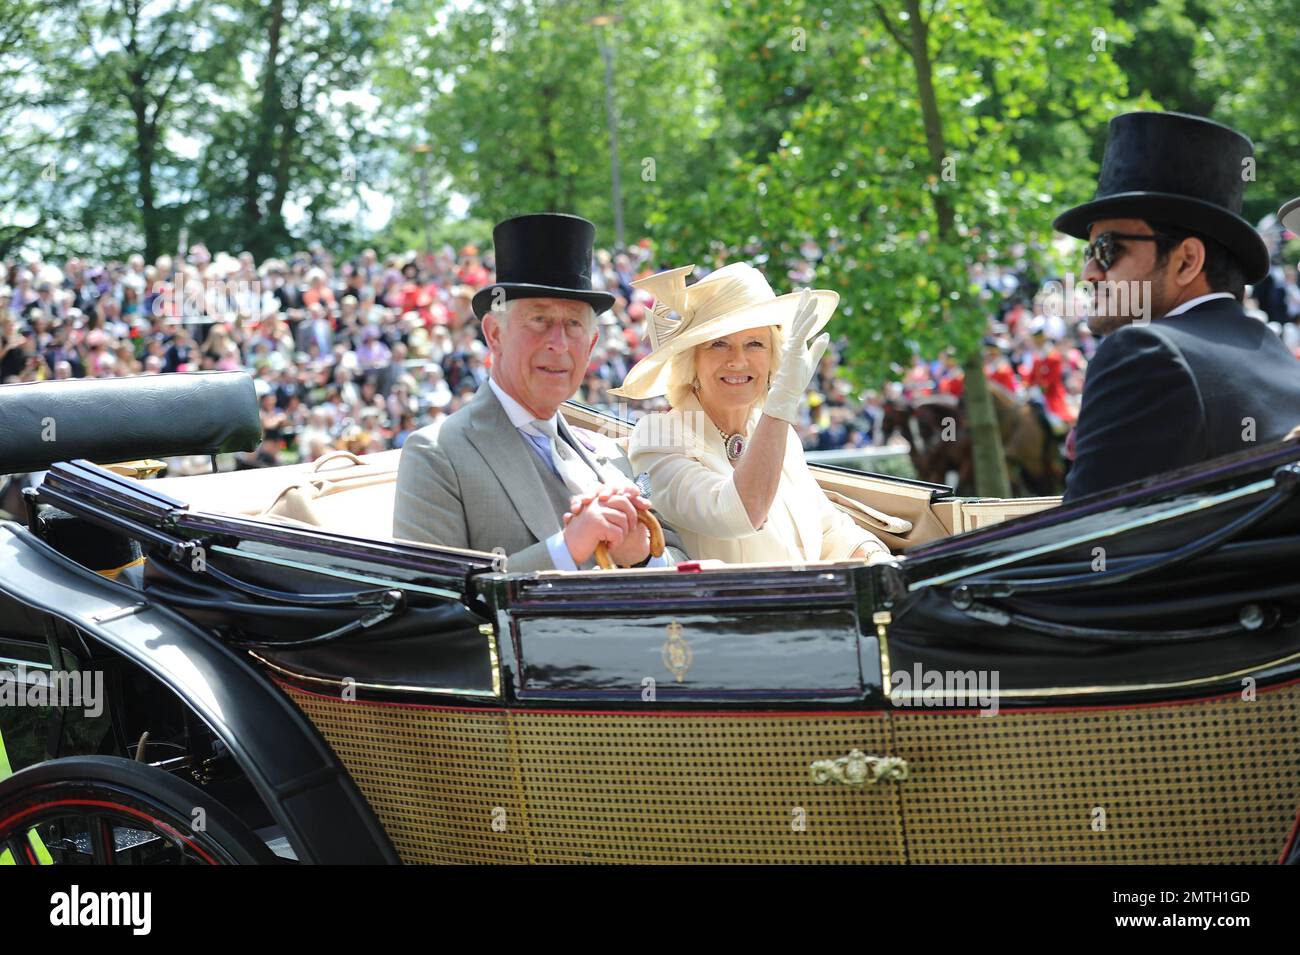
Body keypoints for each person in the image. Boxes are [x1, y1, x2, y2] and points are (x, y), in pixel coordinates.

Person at [393, 213, 675, 571]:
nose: (558, 343)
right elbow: (433, 605)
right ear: (495, 334)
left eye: (573, 324)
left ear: (590, 346)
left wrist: (642, 556)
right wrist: (567, 549)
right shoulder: (436, 455)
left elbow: (679, 559)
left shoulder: (610, 450)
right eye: (539, 320)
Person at [1054, 111, 1300, 500]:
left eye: (1107, 250)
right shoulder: (1280, 360)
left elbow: (1074, 550)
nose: (1088, 273)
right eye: (1089, 252)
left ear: (1187, 261)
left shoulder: (1144, 354)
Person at [611, 262, 891, 565]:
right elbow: (740, 512)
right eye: (719, 344)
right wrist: (782, 403)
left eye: (755, 344)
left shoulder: (772, 431)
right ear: (691, 361)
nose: (738, 360)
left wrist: (874, 556)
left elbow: (828, 529)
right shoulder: (657, 436)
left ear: (774, 357)